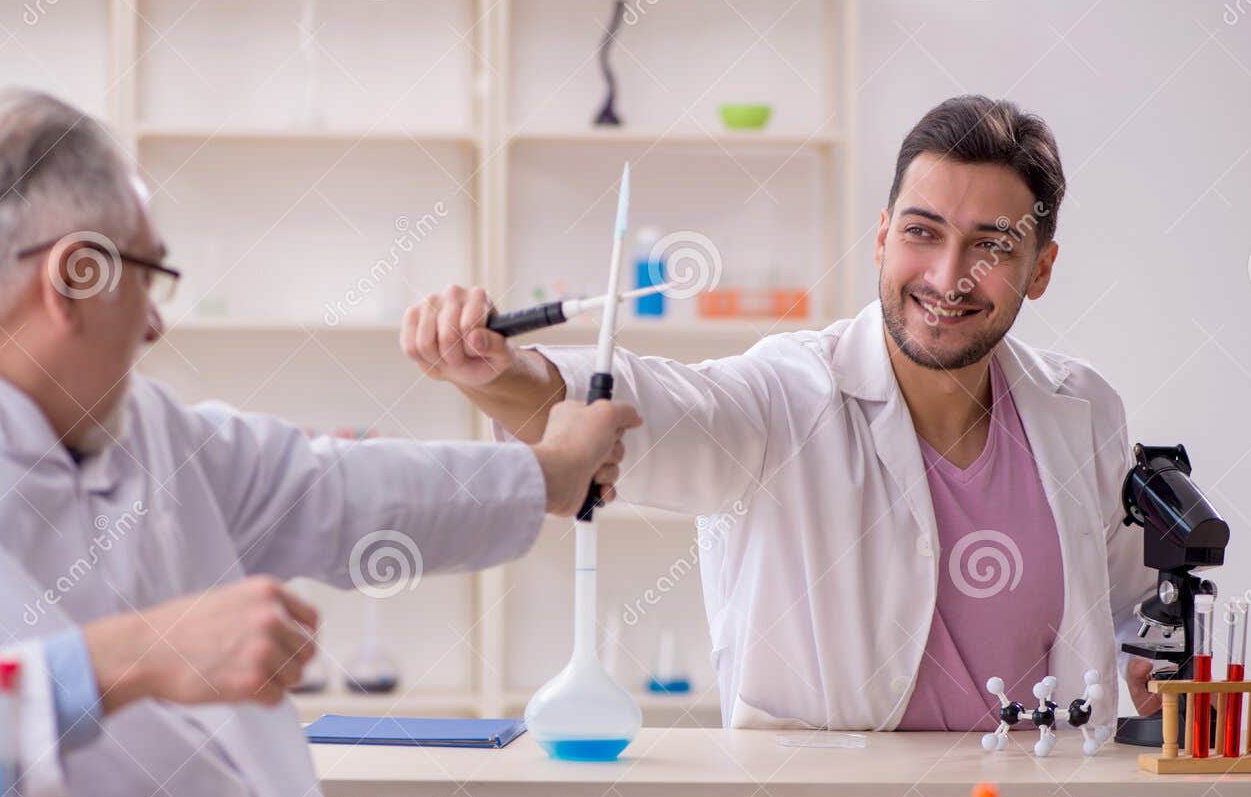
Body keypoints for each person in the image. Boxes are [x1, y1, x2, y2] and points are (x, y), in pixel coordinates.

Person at [0, 87, 640, 797]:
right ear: (75, 278)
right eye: (150, 279)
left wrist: (551, 473)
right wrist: (117, 664)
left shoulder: (140, 431)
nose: (158, 323)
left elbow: (342, 490)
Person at [401, 95, 1155, 737]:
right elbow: (641, 403)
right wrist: (503, 375)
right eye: (922, 234)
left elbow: (1130, 603)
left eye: (990, 246)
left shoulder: (1082, 412)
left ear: (1042, 268)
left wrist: (1154, 661)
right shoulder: (789, 393)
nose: (947, 277)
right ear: (882, 237)